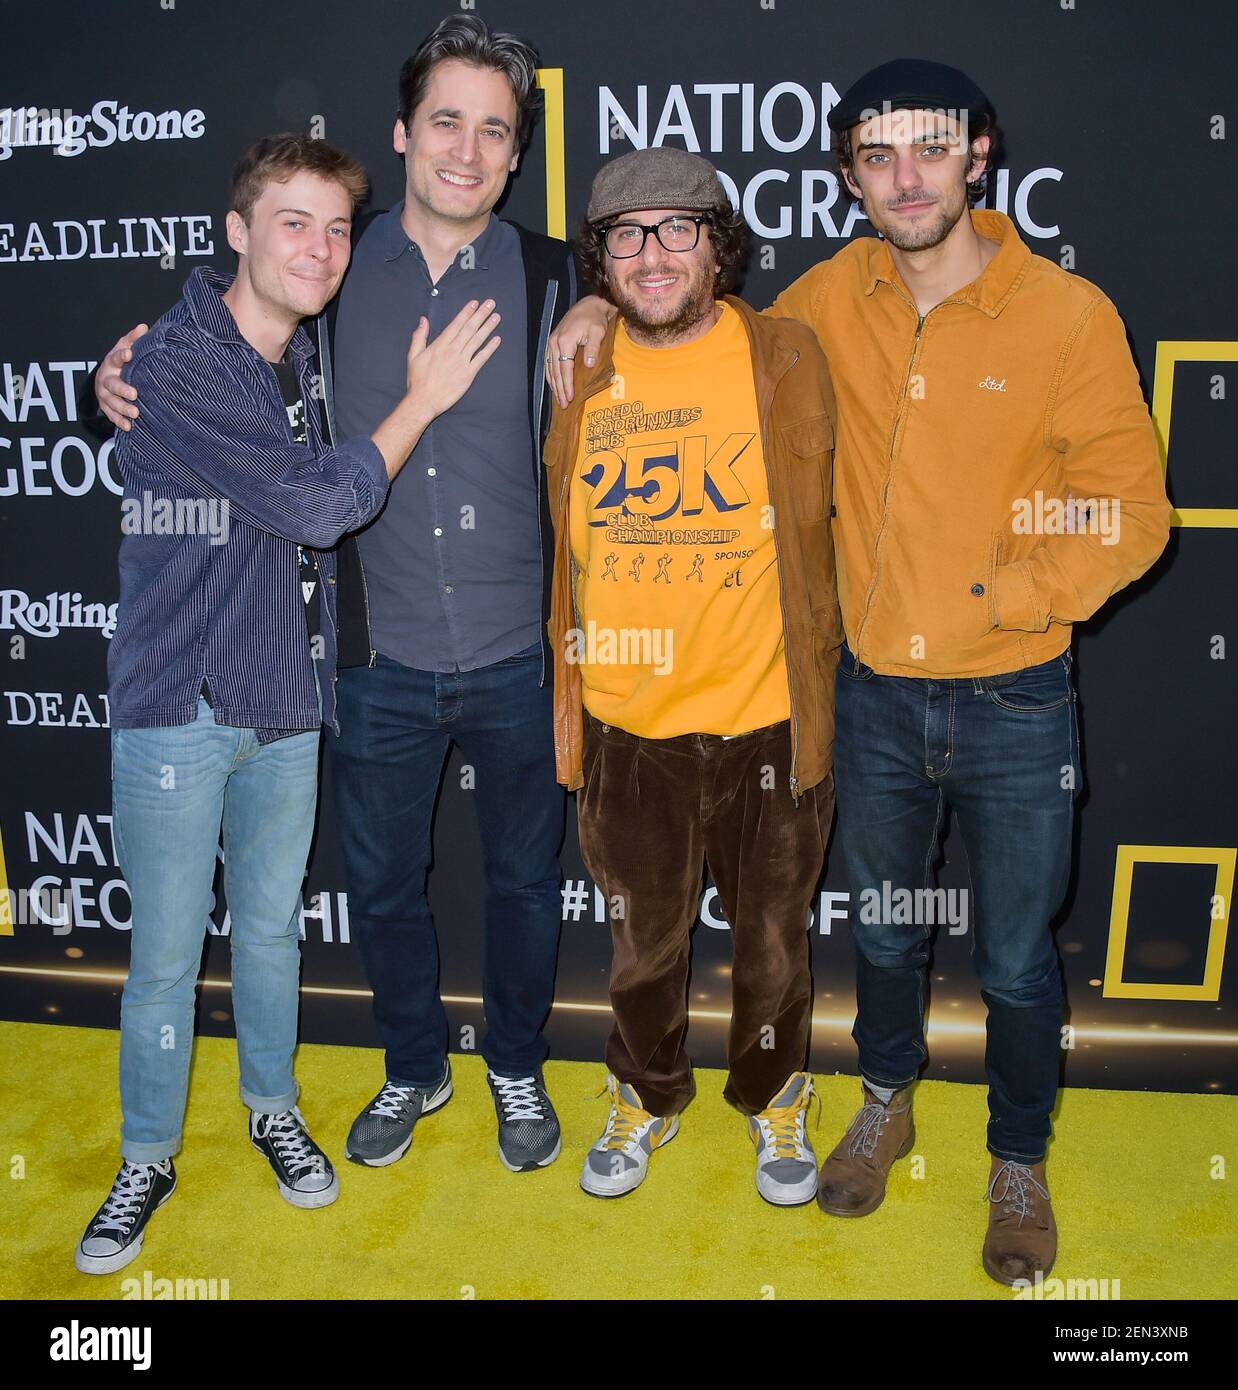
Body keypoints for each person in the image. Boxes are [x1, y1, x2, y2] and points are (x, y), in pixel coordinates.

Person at [546, 60, 1171, 1278]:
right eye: (876, 156)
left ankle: (1017, 1159)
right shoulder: (822, 305)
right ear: (849, 178)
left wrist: (1010, 594)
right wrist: (589, 315)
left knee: (1011, 956)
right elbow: (682, 314)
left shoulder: (1067, 314)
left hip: (1014, 696)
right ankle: (882, 1104)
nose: (905, 176)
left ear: (976, 156)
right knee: (884, 936)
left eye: (928, 149)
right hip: (869, 696)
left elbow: (1130, 514)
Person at [94, 15, 577, 1176]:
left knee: (523, 879)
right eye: (446, 121)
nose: (467, 149)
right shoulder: (332, 266)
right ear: (404, 133)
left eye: (494, 131)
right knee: (385, 888)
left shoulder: (561, 273)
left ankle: (514, 1060)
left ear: (516, 157)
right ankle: (414, 1067)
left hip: (523, 651)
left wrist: (602, 305)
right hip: (371, 658)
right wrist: (113, 376)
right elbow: (215, 340)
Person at [77, 132, 502, 1274]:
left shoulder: (305, 353)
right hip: (179, 702)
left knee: (268, 933)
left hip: (285, 699)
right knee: (167, 954)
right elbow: (317, 507)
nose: (316, 249)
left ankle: (273, 1109)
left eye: (330, 228)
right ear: (237, 232)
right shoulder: (178, 361)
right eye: (290, 223)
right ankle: (145, 1158)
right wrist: (420, 401)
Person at [545, 147, 841, 1203]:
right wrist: (581, 315)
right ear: (599, 259)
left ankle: (771, 1093)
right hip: (628, 728)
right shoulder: (574, 369)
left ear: (719, 246)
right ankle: (643, 1090)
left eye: (679, 229)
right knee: (639, 948)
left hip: (769, 720)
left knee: (773, 945)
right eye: (624, 235)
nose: (652, 252)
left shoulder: (791, 355)